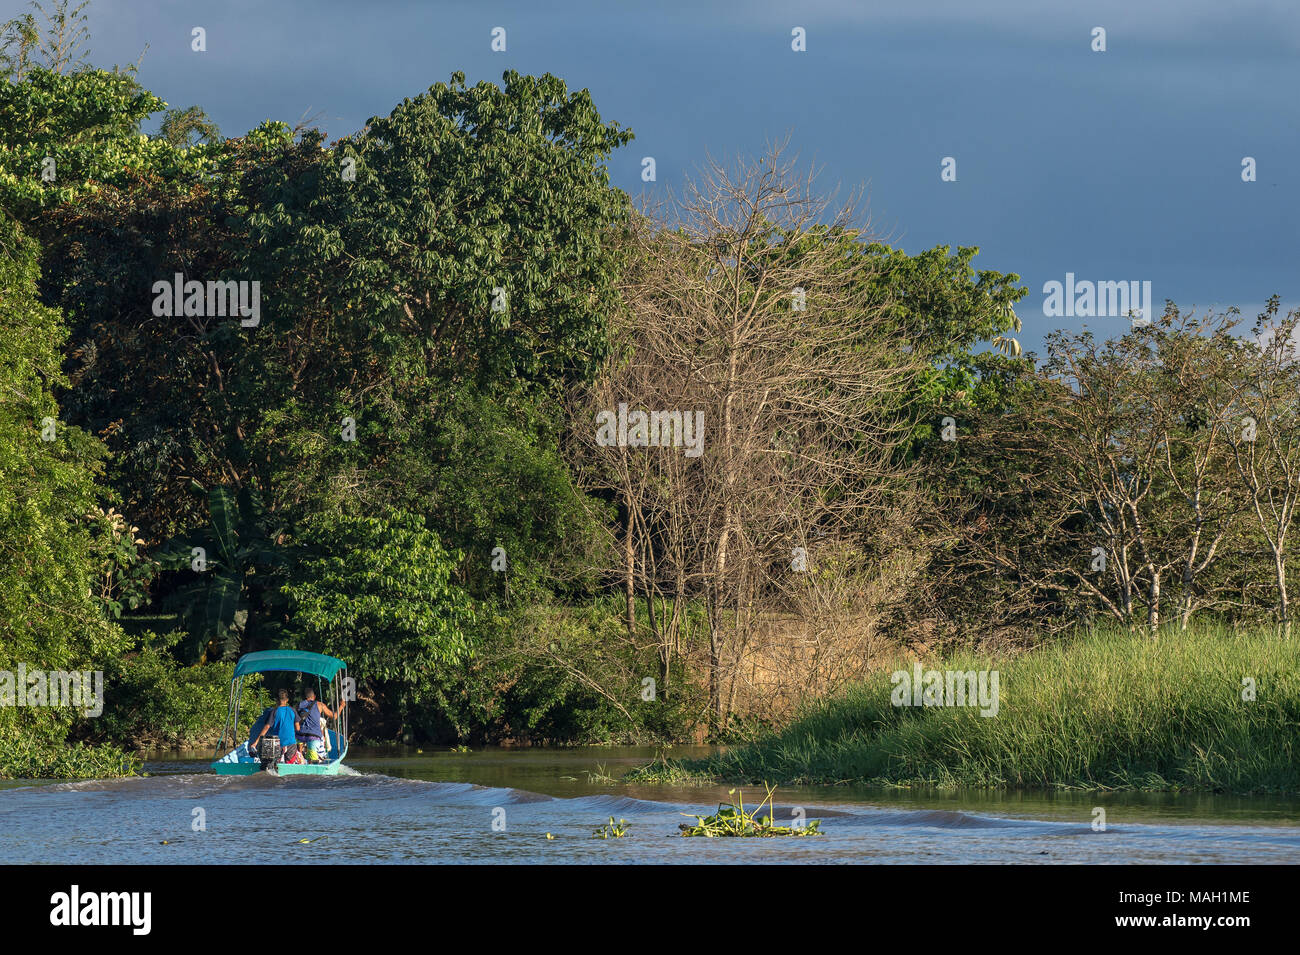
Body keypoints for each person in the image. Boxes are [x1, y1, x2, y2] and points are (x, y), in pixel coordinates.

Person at [297, 687, 345, 762]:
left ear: (304, 697)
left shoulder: (299, 705)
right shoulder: (320, 705)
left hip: (300, 736)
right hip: (314, 736)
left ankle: (300, 760)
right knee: (312, 761)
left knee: (299, 760)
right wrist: (341, 706)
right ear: (314, 696)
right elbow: (334, 716)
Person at [251, 688, 299, 762]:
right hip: (291, 742)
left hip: (277, 743)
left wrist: (256, 742)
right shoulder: (293, 710)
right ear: (287, 700)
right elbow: (297, 728)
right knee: (290, 765)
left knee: (275, 764)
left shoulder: (274, 711)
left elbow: (267, 727)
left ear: (276, 700)